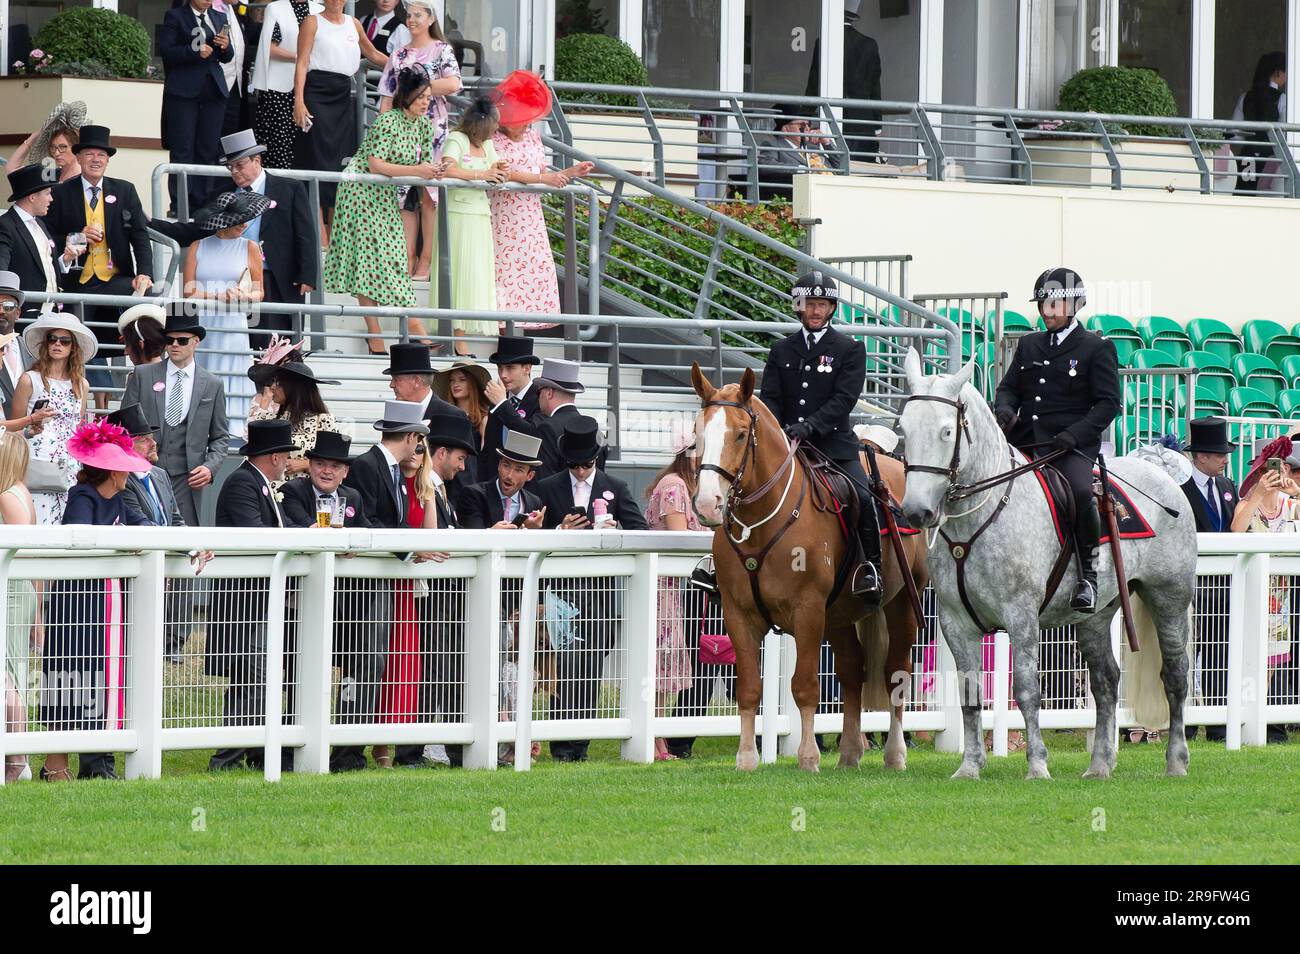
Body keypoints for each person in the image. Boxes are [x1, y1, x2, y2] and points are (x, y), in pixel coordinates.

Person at [994, 267, 1121, 612]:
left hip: (1072, 446)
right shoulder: (1029, 344)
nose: (1047, 312)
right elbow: (1008, 388)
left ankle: (1089, 577)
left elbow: (1109, 404)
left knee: (1081, 493)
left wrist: (1074, 435)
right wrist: (1005, 409)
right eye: (1043, 305)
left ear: (1074, 304)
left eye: (1054, 305)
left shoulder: (1097, 348)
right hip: (1026, 440)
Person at [38, 419, 154, 782]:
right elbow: (82, 538)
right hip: (75, 605)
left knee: (103, 680)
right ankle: (58, 765)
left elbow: (146, 526)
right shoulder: (81, 497)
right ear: (112, 471)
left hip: (104, 606)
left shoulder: (118, 498)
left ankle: (97, 762)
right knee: (71, 678)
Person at [753, 270, 880, 600]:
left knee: (864, 498)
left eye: (822, 304)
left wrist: (810, 426)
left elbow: (844, 400)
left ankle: (871, 569)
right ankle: (721, 565)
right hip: (786, 447)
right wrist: (776, 431)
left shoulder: (849, 349)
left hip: (833, 447)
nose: (815, 310)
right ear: (799, 306)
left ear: (832, 308)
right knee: (743, 485)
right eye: (809, 304)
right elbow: (771, 398)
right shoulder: (782, 350)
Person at [535, 415, 648, 761]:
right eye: (575, 465)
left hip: (599, 594)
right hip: (560, 592)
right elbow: (534, 533)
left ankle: (580, 743)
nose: (581, 472)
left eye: (586, 465)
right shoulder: (547, 486)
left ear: (596, 459)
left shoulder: (616, 486)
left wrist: (615, 530)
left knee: (590, 669)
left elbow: (640, 530)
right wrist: (559, 529)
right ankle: (561, 744)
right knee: (564, 668)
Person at [333, 398, 428, 771]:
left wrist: (410, 547)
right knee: (363, 666)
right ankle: (346, 751)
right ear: (410, 436)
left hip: (379, 584)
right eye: (418, 439)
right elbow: (366, 522)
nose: (420, 446)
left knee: (371, 665)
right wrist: (409, 548)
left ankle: (351, 750)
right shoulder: (368, 466)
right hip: (362, 590)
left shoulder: (385, 469)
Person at [325, 67, 443, 354]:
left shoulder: (425, 127)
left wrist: (435, 171)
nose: (426, 102)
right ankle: (387, 332)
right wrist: (418, 170)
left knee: (393, 258)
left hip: (386, 194)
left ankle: (402, 329)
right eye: (420, 97)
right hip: (360, 191)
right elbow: (376, 164)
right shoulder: (388, 121)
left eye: (428, 97)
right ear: (406, 97)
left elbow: (423, 168)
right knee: (368, 261)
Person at [206, 419, 296, 771]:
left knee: (256, 679)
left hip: (258, 600)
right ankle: (226, 759)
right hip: (245, 601)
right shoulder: (244, 482)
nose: (289, 462)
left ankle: (250, 752)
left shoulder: (256, 482)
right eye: (286, 455)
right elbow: (258, 537)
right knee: (253, 680)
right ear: (274, 456)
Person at [44, 126, 155, 402]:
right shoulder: (60, 193)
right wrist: (76, 236)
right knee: (80, 337)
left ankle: (147, 392)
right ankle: (86, 400)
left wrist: (145, 273)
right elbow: (48, 237)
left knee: (145, 315)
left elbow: (140, 235)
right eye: (90, 153)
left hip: (116, 279)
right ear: (79, 158)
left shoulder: (125, 190)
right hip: (76, 281)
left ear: (107, 160)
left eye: (102, 155)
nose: (96, 159)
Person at [392, 406, 474, 768]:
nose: (462, 467)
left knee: (448, 670)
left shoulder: (435, 489)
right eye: (459, 458)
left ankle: (447, 747)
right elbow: (434, 541)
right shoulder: (424, 487)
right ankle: (413, 749)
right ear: (440, 453)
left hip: (443, 596)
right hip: (428, 596)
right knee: (432, 672)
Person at [490, 71, 593, 321]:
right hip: (503, 215)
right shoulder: (491, 139)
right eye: (521, 118)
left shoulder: (533, 137)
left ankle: (521, 339)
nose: (526, 123)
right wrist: (541, 179)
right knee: (504, 274)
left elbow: (543, 173)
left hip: (530, 218)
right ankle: (503, 335)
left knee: (532, 273)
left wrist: (570, 172)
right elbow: (504, 171)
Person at [121, 310, 231, 527]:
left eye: (182, 340)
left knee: (185, 540)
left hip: (188, 478)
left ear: (196, 341)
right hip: (144, 473)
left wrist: (210, 467)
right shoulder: (142, 375)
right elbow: (123, 425)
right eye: (169, 340)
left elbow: (220, 437)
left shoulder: (212, 384)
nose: (175, 345)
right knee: (145, 533)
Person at [377, 0, 462, 282]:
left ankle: (426, 260)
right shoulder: (399, 54)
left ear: (430, 18)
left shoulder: (441, 49)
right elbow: (387, 95)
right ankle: (406, 257)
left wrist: (418, 89)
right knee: (403, 196)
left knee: (429, 195)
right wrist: (384, 130)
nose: (411, 19)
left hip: (433, 132)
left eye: (417, 15)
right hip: (401, 132)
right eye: (409, 14)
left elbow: (453, 83)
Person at [292, 0, 389, 244]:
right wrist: (299, 101)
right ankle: (318, 228)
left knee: (340, 160)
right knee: (315, 157)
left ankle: (336, 228)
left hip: (342, 94)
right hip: (316, 92)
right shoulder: (312, 21)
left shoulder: (353, 23)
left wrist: (403, 64)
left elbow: (373, 53)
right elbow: (302, 62)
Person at [217, 129, 318, 346]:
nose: (234, 171)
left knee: (277, 340)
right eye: (230, 166)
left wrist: (307, 274)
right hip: (236, 277)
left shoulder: (289, 188)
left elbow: (305, 234)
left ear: (257, 160)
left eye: (240, 165)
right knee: (241, 339)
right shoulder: (225, 193)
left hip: (275, 276)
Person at [183, 189, 268, 431]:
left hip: (234, 320)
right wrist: (217, 296)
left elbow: (259, 291)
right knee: (204, 369)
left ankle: (233, 429)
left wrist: (243, 295)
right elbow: (188, 290)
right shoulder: (198, 246)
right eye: (236, 221)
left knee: (233, 370)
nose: (242, 225)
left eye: (244, 219)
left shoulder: (250, 247)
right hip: (205, 320)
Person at [1230, 436, 1295, 745]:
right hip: (1252, 592)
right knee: (1248, 659)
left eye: (1281, 468)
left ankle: (1262, 724)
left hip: (1280, 597)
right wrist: (1258, 494)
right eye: (1270, 468)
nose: (1276, 474)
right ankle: (1243, 720)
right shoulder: (1248, 503)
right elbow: (1236, 531)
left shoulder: (1290, 504)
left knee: (1271, 663)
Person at [1178, 417, 1240, 744]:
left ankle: (1217, 724)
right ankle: (1184, 724)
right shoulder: (1179, 490)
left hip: (1223, 587)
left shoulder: (1227, 487)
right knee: (1184, 653)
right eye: (1219, 454)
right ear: (1200, 455)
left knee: (1220, 654)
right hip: (1189, 584)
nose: (1225, 458)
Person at [645, 430, 699, 761]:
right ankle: (653, 741)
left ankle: (658, 740)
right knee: (659, 662)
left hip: (668, 587)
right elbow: (680, 537)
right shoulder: (675, 487)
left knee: (663, 664)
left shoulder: (676, 485)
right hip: (661, 587)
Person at [440, 95, 509, 356]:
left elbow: (495, 168)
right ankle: (456, 338)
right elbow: (447, 169)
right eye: (494, 123)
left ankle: (462, 334)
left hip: (480, 214)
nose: (497, 129)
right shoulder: (457, 140)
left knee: (475, 276)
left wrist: (500, 168)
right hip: (457, 214)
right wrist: (483, 174)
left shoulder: (488, 144)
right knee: (459, 274)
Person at [14, 313, 94, 524]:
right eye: (52, 339)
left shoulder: (81, 385)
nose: (57, 344)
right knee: (37, 521)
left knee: (68, 522)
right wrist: (32, 423)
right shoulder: (29, 379)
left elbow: (79, 427)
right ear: (46, 344)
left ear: (72, 347)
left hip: (69, 464)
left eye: (64, 340)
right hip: (36, 460)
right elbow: (12, 429)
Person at [159, 0, 237, 213]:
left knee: (208, 149)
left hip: (213, 90)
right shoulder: (175, 16)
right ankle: (180, 203)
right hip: (184, 90)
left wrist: (225, 46)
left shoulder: (219, 17)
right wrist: (194, 52)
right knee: (182, 148)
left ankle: (204, 201)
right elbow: (166, 50)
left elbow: (228, 56)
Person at [0, 431, 38, 782]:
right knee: (13, 670)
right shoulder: (20, 493)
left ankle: (16, 759)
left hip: (11, 592)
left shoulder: (8, 497)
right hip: (18, 590)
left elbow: (23, 549)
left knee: (8, 673)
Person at [383, 342, 473, 487]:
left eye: (396, 379)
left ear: (417, 381)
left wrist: (447, 508)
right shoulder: (396, 413)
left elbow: (464, 475)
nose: (391, 385)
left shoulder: (453, 416)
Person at [0, 165, 77, 326]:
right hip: (23, 314)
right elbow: (3, 273)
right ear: (33, 197)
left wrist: (65, 260)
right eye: (48, 193)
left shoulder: (40, 223)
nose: (51, 199)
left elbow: (44, 264)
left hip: (50, 314)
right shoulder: (5, 225)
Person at [251, 0, 322, 170]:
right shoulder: (275, 8)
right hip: (279, 89)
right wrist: (301, 58)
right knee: (279, 144)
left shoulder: (320, 9)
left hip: (311, 86)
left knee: (308, 144)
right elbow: (268, 48)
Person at [247, 356, 339, 486]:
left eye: (277, 382)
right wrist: (265, 401)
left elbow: (335, 462)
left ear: (293, 387)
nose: (272, 387)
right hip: (272, 495)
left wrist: (305, 464)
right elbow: (251, 447)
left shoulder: (323, 421)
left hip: (305, 496)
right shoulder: (271, 419)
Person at [458, 430, 546, 529]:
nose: (509, 475)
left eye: (518, 470)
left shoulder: (534, 502)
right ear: (499, 465)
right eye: (506, 465)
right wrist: (492, 533)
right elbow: (471, 539)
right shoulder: (474, 495)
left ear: (529, 476)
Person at [757, 103, 844, 198]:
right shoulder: (774, 145)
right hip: (808, 195)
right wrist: (802, 169)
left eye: (809, 124)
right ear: (786, 129)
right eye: (802, 125)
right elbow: (766, 166)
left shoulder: (813, 148)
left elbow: (842, 167)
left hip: (835, 192)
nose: (807, 128)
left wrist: (827, 143)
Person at [480, 334, 542, 465]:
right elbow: (489, 447)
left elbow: (531, 435)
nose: (503, 375)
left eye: (510, 368)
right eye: (500, 368)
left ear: (527, 368)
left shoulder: (540, 397)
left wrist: (502, 404)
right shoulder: (497, 399)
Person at [534, 357, 599, 479]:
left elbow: (543, 479)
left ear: (549, 393)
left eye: (538, 392)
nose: (538, 397)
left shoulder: (547, 428)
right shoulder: (594, 430)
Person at [1235, 52, 1287, 195]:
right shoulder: (1282, 99)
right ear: (1278, 72)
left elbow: (1234, 133)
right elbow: (1283, 135)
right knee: (1267, 198)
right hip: (1271, 161)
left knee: (1245, 196)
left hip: (1248, 157)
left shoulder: (1245, 97)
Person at [3, 101, 84, 183]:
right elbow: (11, 168)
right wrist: (34, 137)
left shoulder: (85, 178)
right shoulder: (51, 176)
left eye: (62, 147)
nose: (56, 153)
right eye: (53, 147)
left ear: (76, 148)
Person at [432, 359, 489, 456]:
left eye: (462, 379)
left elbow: (485, 457)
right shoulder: (443, 415)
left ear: (473, 383)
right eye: (451, 380)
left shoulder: (484, 419)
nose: (455, 384)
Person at [0, 272, 36, 419]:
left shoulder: (32, 348)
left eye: (8, 306)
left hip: (28, 435)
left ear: (18, 312)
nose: (1, 311)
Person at [117, 303, 168, 368]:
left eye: (128, 345)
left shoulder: (137, 376)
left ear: (141, 344)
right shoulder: (170, 371)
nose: (125, 352)